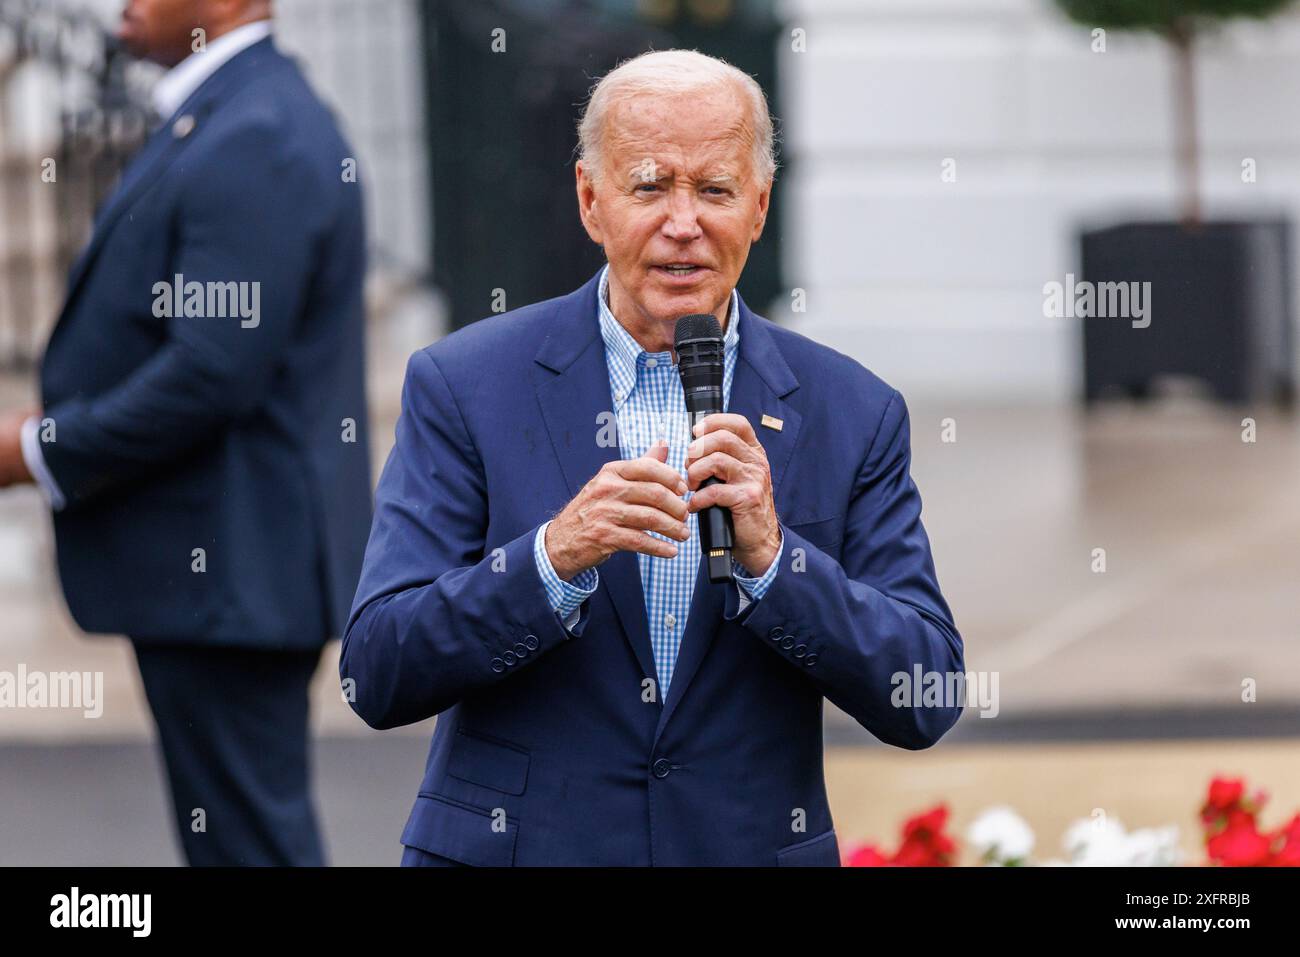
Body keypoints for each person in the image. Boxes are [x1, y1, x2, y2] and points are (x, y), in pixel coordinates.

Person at [342, 49, 963, 866]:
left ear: (760, 206)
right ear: (590, 200)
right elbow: (378, 671)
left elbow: (925, 692)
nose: (684, 222)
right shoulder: (465, 385)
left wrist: (776, 560)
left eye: (714, 189)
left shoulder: (852, 410)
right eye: (648, 185)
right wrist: (552, 559)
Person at [0, 0, 371, 865]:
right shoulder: (230, 113)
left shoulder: (258, 130)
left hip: (232, 576)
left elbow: (211, 371)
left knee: (251, 850)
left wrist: (38, 450)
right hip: (214, 574)